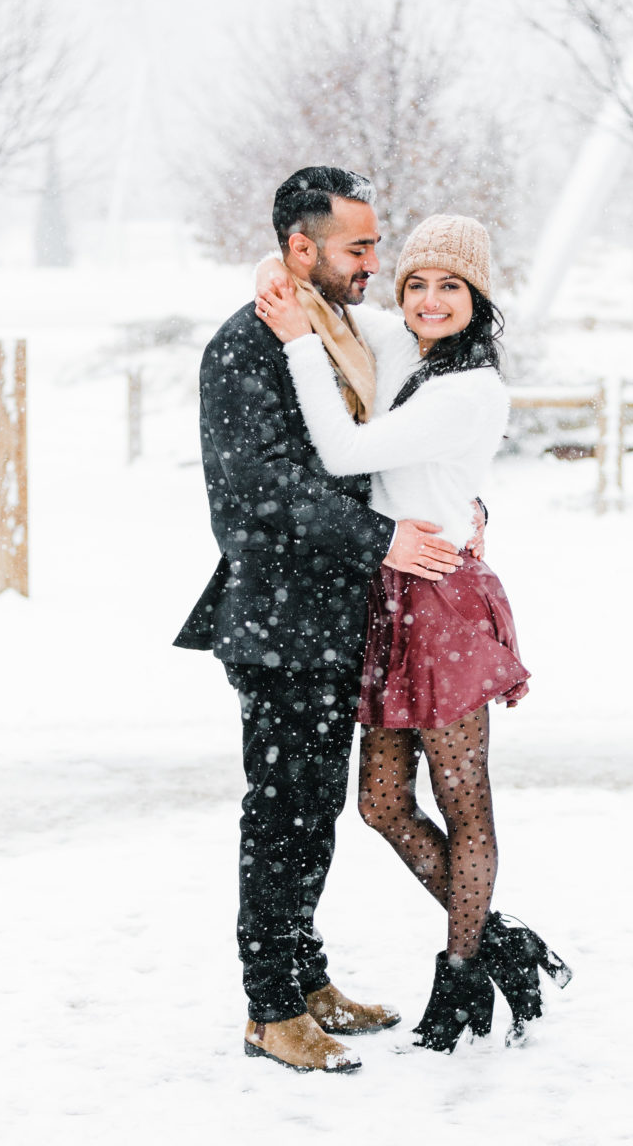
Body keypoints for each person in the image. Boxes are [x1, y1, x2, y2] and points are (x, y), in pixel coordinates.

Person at [174, 168, 471, 1075]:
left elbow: (382, 446)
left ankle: (306, 981)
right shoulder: (246, 347)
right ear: (301, 248)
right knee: (280, 815)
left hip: (334, 619)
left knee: (312, 815)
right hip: (277, 624)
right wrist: (382, 539)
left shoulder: (331, 332)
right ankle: (270, 1008)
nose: (375, 263)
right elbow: (260, 496)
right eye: (360, 247)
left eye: (376, 244)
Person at [256, 213, 573, 1054]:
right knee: (382, 804)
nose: (431, 301)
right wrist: (279, 280)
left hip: (440, 600)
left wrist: (294, 344)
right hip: (389, 592)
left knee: (463, 799)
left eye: (452, 287)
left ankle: (464, 975)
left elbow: (343, 448)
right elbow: (313, 286)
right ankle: (506, 944)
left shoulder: (469, 389)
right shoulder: (409, 349)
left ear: (480, 299)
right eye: (419, 284)